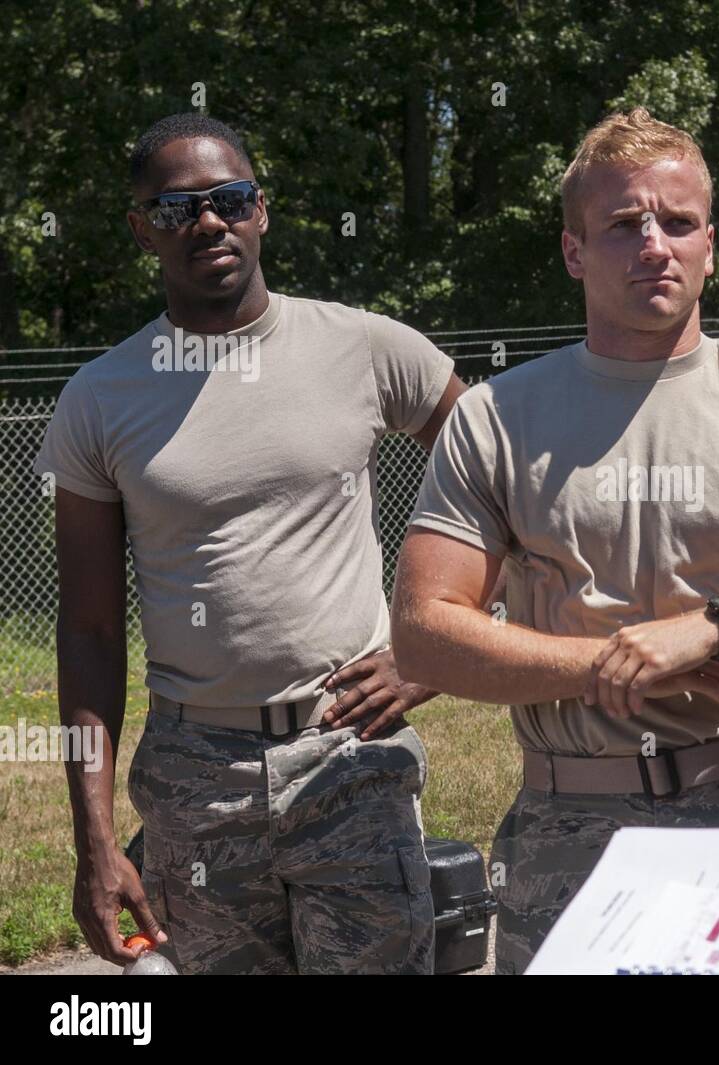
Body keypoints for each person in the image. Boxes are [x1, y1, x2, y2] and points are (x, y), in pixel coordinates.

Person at [390, 107, 719, 974]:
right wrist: (615, 660)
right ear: (574, 252)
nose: (655, 245)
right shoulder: (498, 419)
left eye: (678, 223)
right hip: (569, 835)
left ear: (710, 244)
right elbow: (425, 628)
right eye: (624, 224)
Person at [37, 113, 466, 974]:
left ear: (261, 210)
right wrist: (93, 840)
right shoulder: (101, 397)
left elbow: (510, 492)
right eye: (175, 208)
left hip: (350, 757)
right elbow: (86, 633)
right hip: (196, 781)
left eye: (228, 199)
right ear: (140, 229)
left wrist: (432, 657)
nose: (207, 222)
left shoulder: (365, 348)